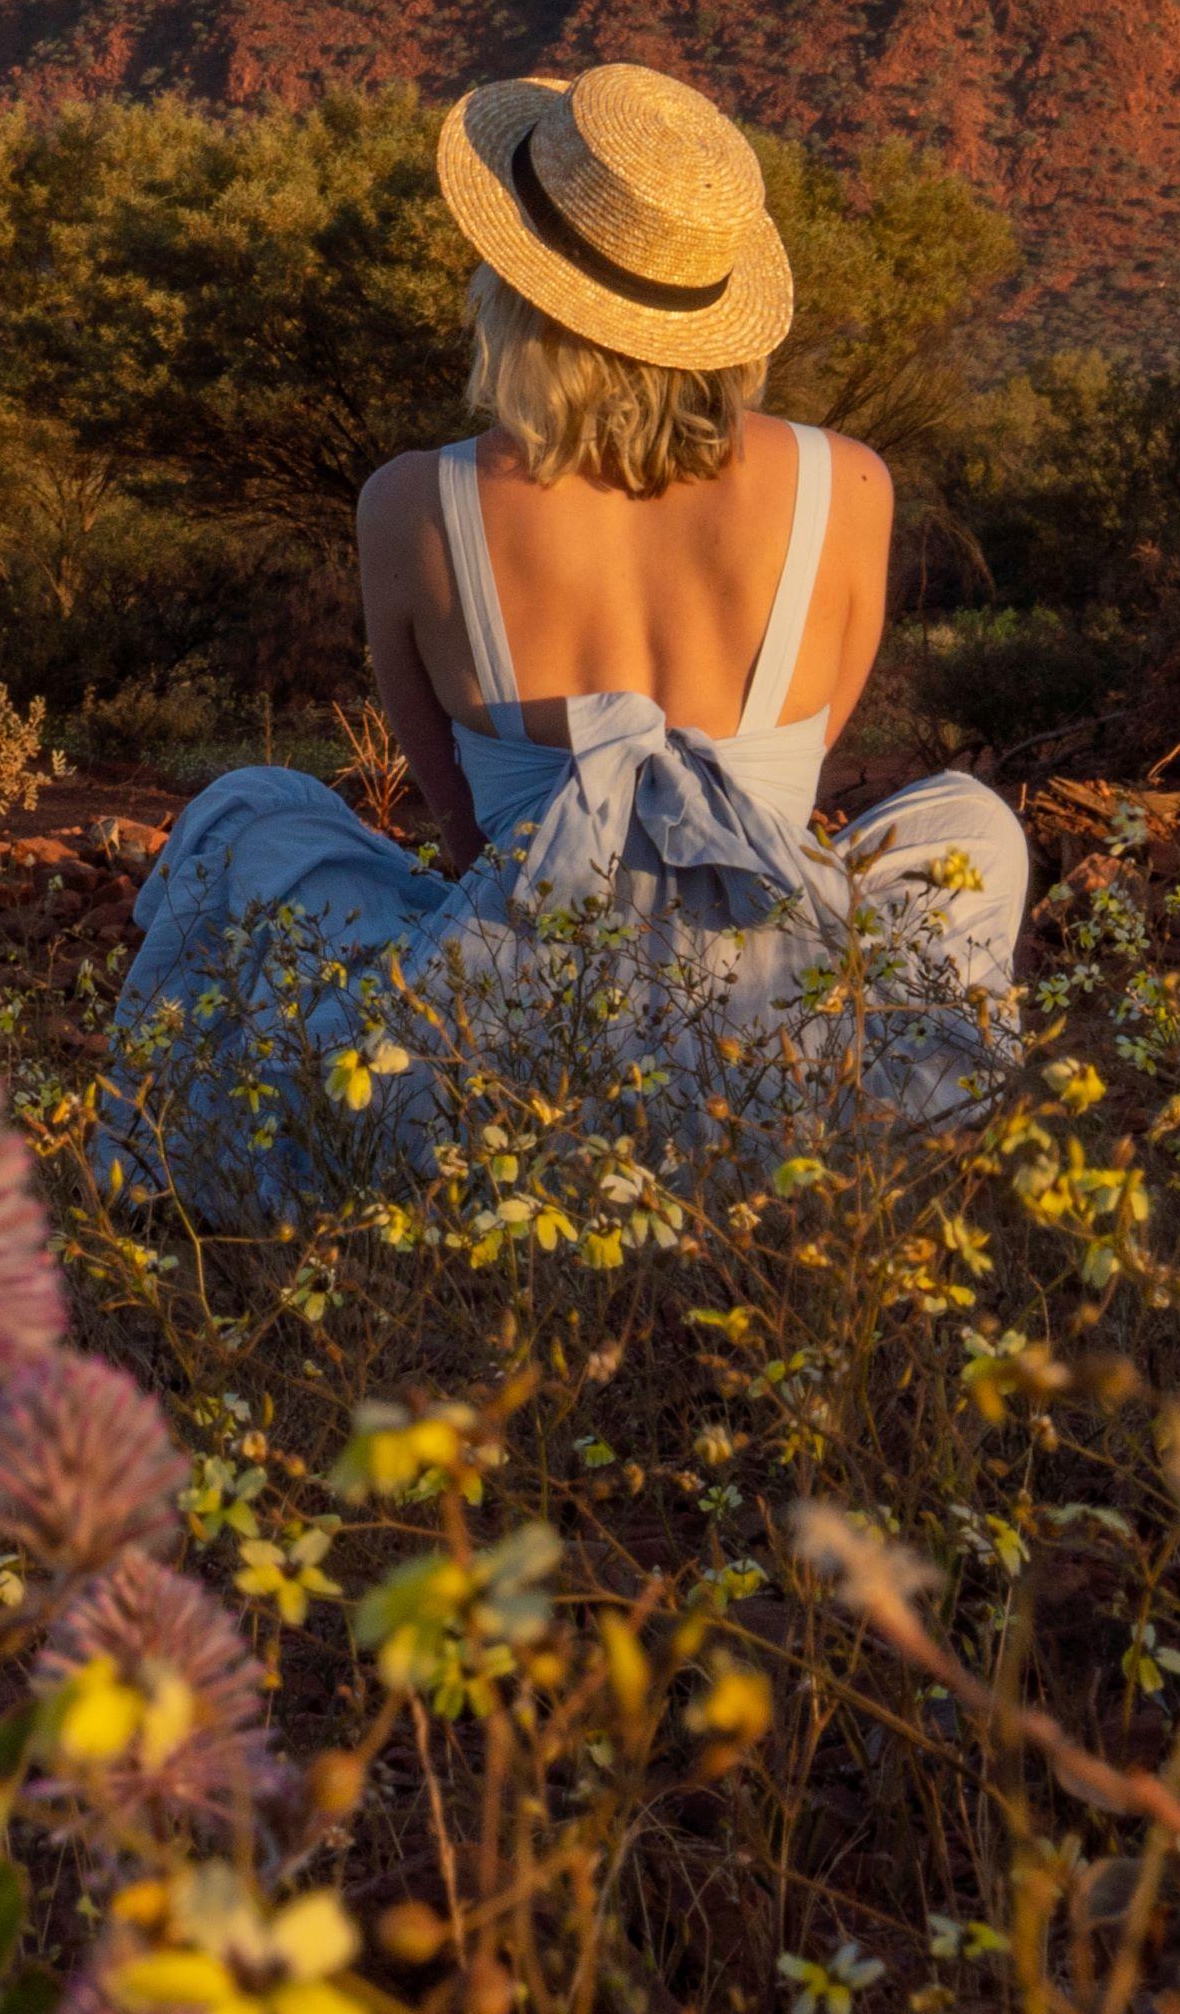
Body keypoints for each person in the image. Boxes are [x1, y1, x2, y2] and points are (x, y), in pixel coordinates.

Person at [95, 63, 1028, 1219]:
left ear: (515, 285)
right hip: (772, 1066)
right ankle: (871, 1158)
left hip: (502, 1067)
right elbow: (780, 812)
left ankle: (171, 1215)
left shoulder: (409, 506)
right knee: (971, 830)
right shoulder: (852, 485)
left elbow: (460, 841)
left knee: (248, 819)